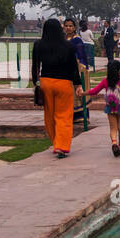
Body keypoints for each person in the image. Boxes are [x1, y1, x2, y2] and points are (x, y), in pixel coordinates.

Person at [31, 17, 83, 158]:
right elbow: (73, 68)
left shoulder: (39, 45)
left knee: (49, 115)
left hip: (46, 83)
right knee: (64, 115)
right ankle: (61, 145)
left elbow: (35, 66)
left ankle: (56, 142)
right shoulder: (68, 46)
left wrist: (36, 83)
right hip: (64, 84)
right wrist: (78, 85)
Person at [88, 58, 120, 156]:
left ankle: (114, 143)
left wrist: (84, 93)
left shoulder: (105, 81)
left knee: (113, 128)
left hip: (110, 107)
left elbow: (95, 91)